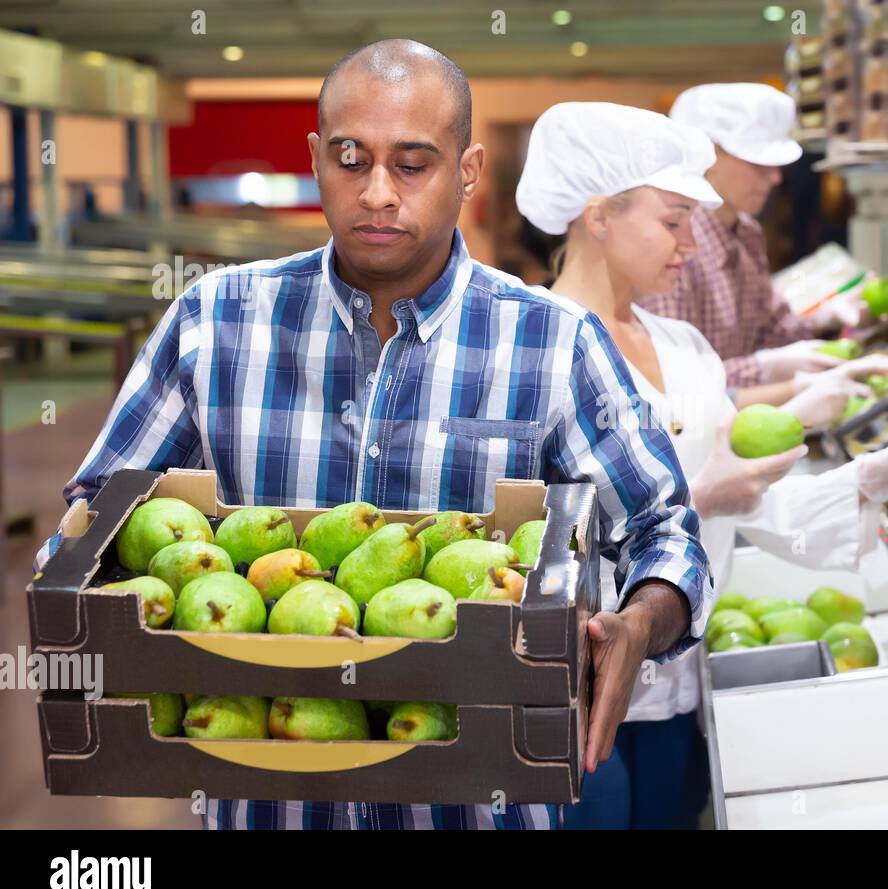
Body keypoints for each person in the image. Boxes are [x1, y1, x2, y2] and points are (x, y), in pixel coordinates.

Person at [36, 41, 711, 831]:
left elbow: (666, 534)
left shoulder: (552, 342)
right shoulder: (214, 322)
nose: (378, 193)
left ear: (467, 171)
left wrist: (638, 622)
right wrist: (101, 600)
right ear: (317, 160)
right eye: (351, 160)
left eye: (414, 164)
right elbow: (95, 512)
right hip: (270, 805)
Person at [515, 102, 888, 830]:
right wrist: (697, 500)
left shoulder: (685, 351)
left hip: (680, 684)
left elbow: (756, 506)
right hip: (577, 698)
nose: (687, 246)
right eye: (672, 222)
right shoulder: (531, 350)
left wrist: (880, 475)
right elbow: (523, 551)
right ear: (598, 216)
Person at [639, 82, 867, 391]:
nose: (775, 178)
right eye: (759, 163)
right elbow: (673, 381)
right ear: (709, 155)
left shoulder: (747, 231)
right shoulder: (672, 245)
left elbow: (770, 328)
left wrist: (825, 318)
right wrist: (764, 367)